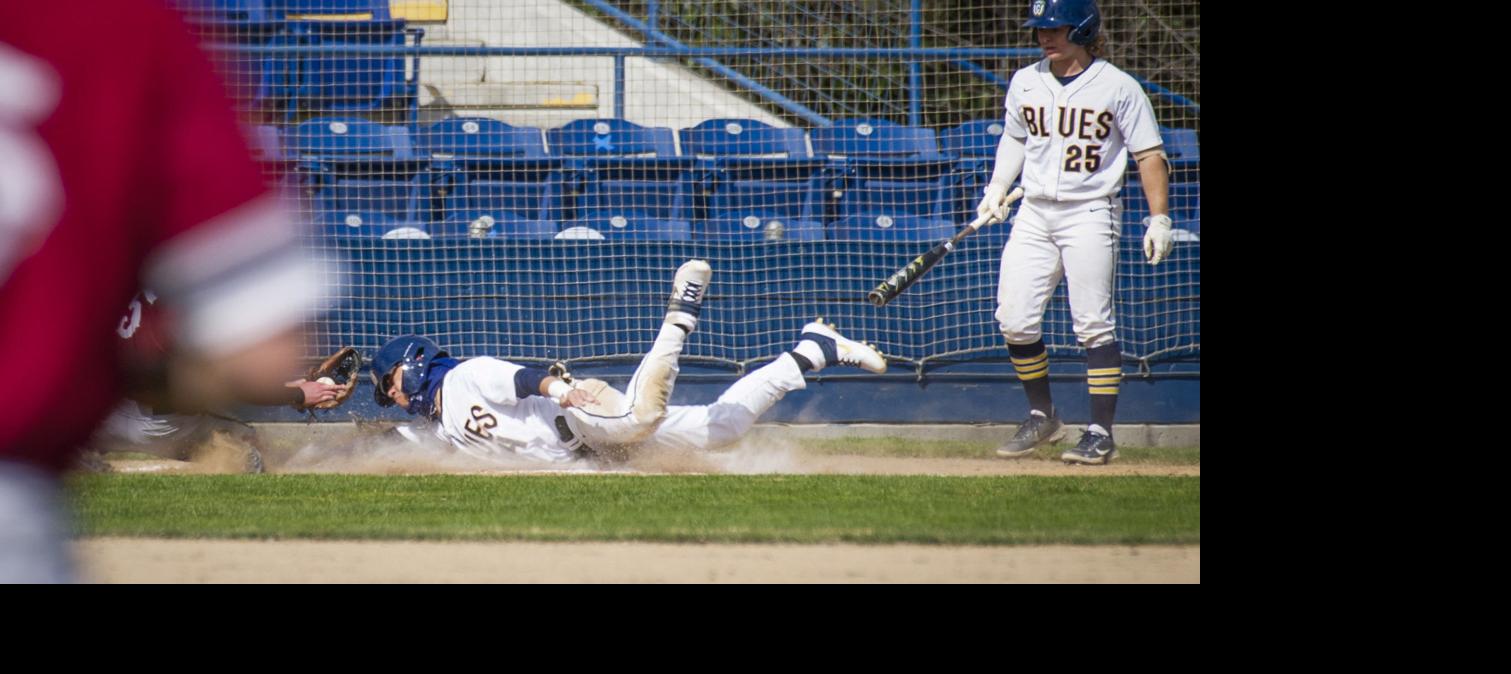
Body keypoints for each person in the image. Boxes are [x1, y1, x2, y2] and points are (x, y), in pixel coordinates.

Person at [2, 2, 329, 582]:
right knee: (221, 426)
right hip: (36, 472)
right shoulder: (123, 26)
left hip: (114, 418)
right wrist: (299, 393)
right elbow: (261, 355)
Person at [370, 260, 886, 463]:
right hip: (592, 452)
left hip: (578, 414)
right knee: (721, 430)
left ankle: (681, 313)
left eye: (388, 384)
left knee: (640, 416)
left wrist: (560, 390)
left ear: (412, 364)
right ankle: (813, 349)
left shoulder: (465, 375)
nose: (391, 397)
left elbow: (524, 379)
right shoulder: (439, 426)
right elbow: (385, 446)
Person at [978, 0, 1172, 466]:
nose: (1046, 37)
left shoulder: (1118, 87)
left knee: (1092, 324)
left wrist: (1159, 217)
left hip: (1091, 211)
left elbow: (1149, 155)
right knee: (1014, 318)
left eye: (1057, 29)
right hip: (1034, 212)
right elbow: (1015, 137)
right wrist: (998, 187)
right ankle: (1042, 415)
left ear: (1082, 29)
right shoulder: (1026, 80)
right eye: (1041, 29)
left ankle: (1101, 432)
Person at [83, 290, 348, 473]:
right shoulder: (181, 306)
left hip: (106, 418)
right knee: (249, 445)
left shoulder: (125, 287)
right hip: (165, 427)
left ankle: (82, 455)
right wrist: (299, 395)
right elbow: (233, 385)